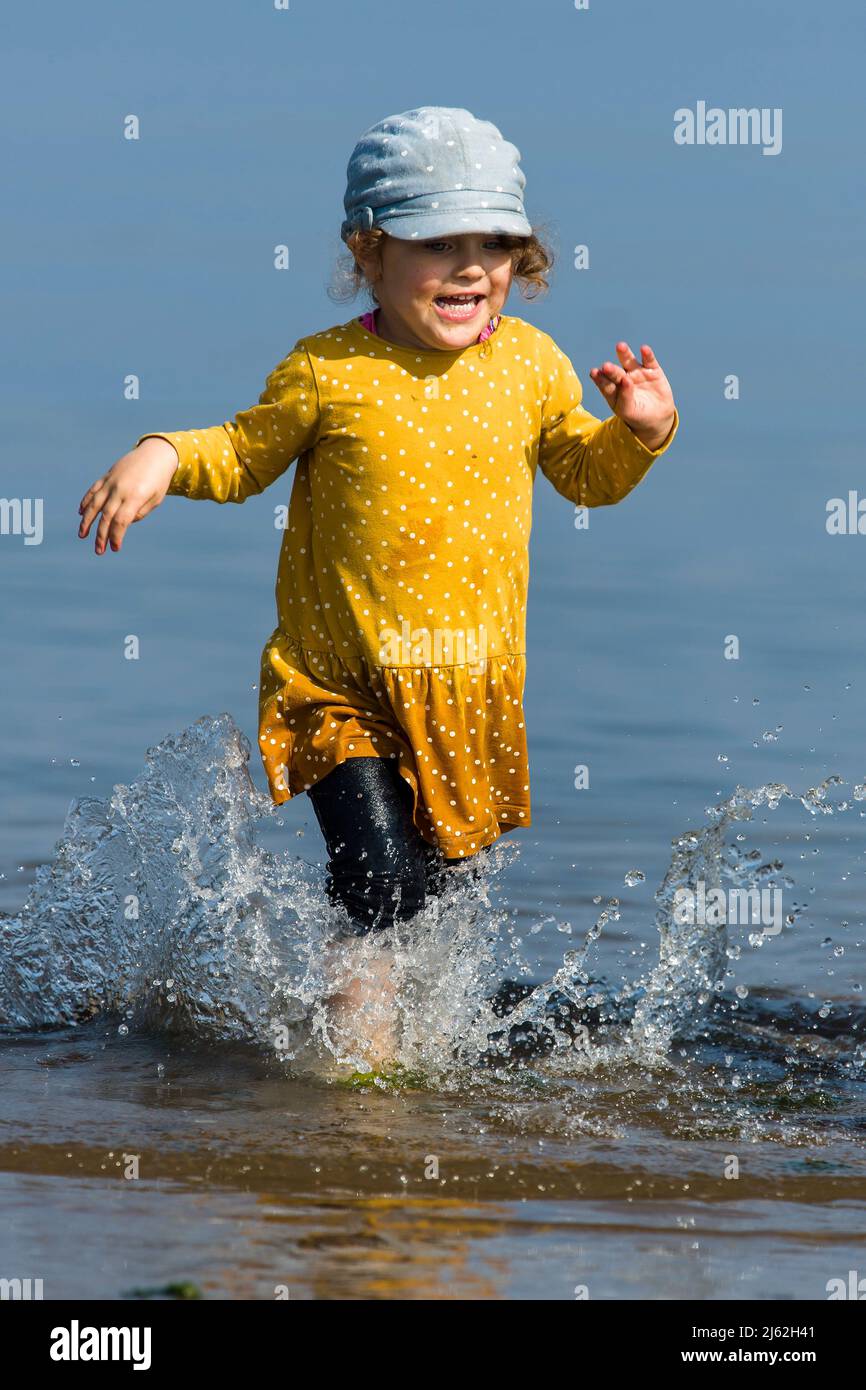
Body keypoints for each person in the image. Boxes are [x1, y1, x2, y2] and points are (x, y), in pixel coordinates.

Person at [77, 106, 680, 1071]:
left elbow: (583, 473)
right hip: (339, 688)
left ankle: (394, 1066)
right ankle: (356, 1095)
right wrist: (160, 452)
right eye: (440, 243)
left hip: (468, 697)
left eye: (497, 243)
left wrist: (638, 433)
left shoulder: (530, 366)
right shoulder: (328, 370)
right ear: (371, 250)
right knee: (380, 889)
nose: (475, 267)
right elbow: (240, 454)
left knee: (430, 910)